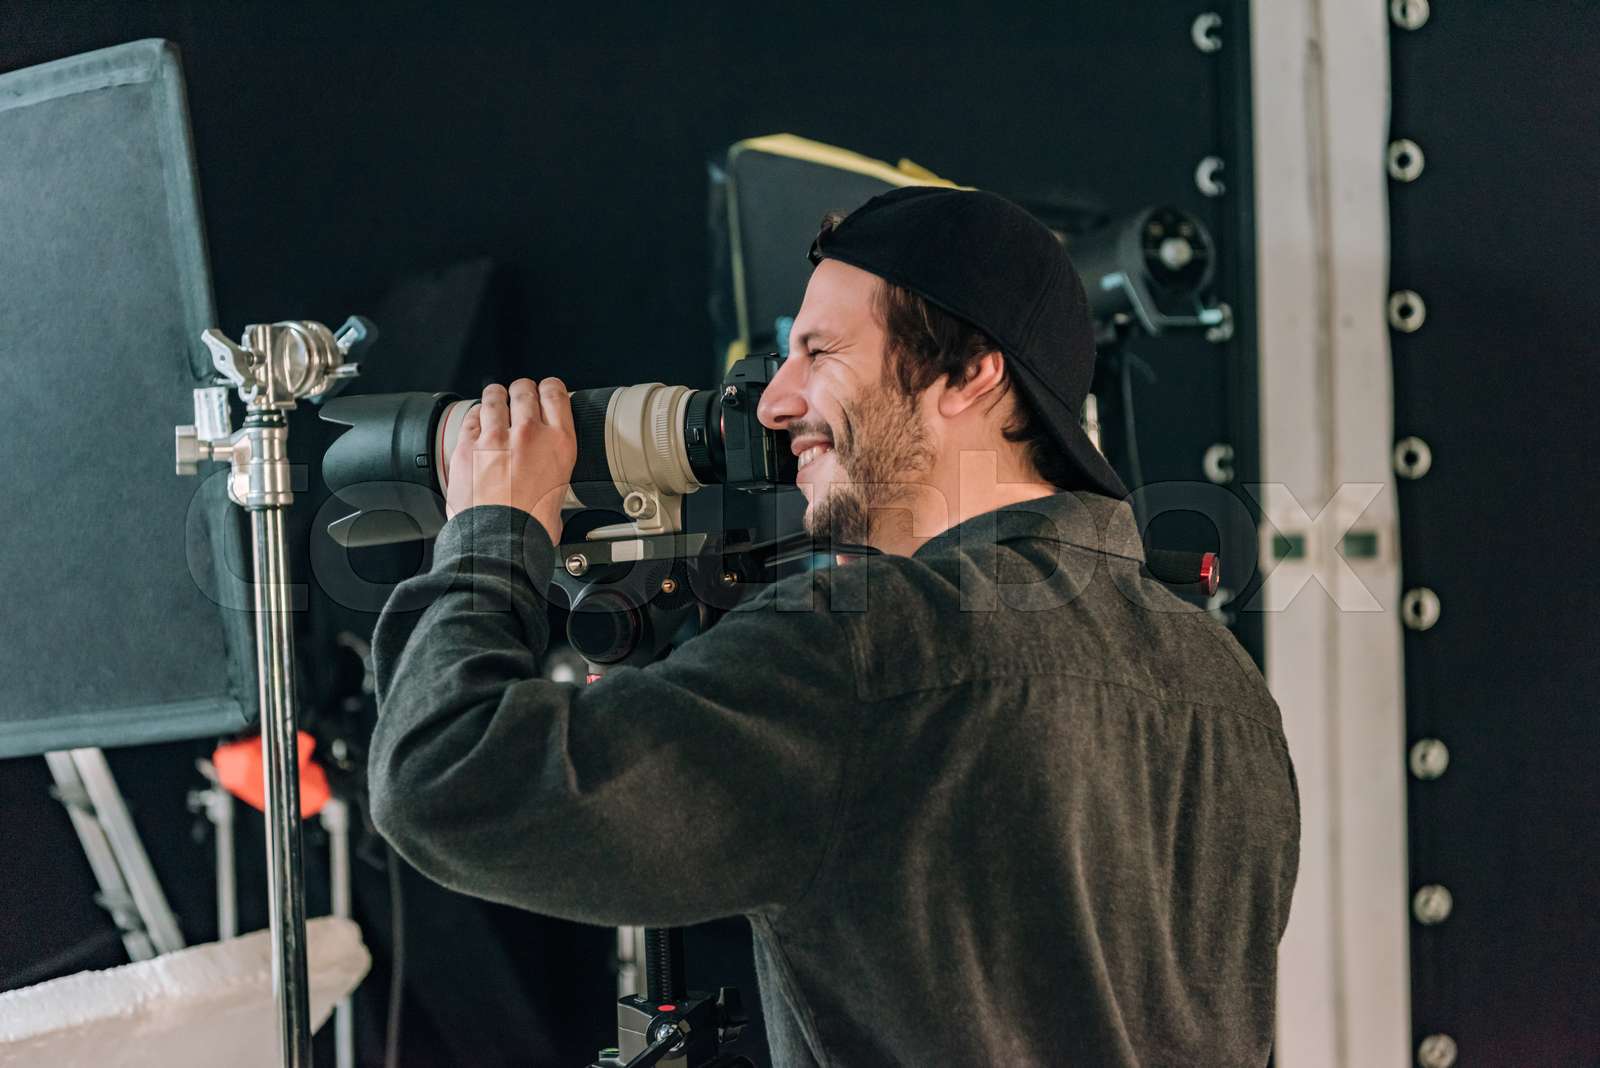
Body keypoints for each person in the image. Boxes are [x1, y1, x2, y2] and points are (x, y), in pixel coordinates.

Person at [368, 186, 1300, 1067]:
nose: (776, 401)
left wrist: (491, 536)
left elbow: (444, 778)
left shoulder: (865, 644)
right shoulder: (1227, 687)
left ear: (970, 374)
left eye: (821, 353)